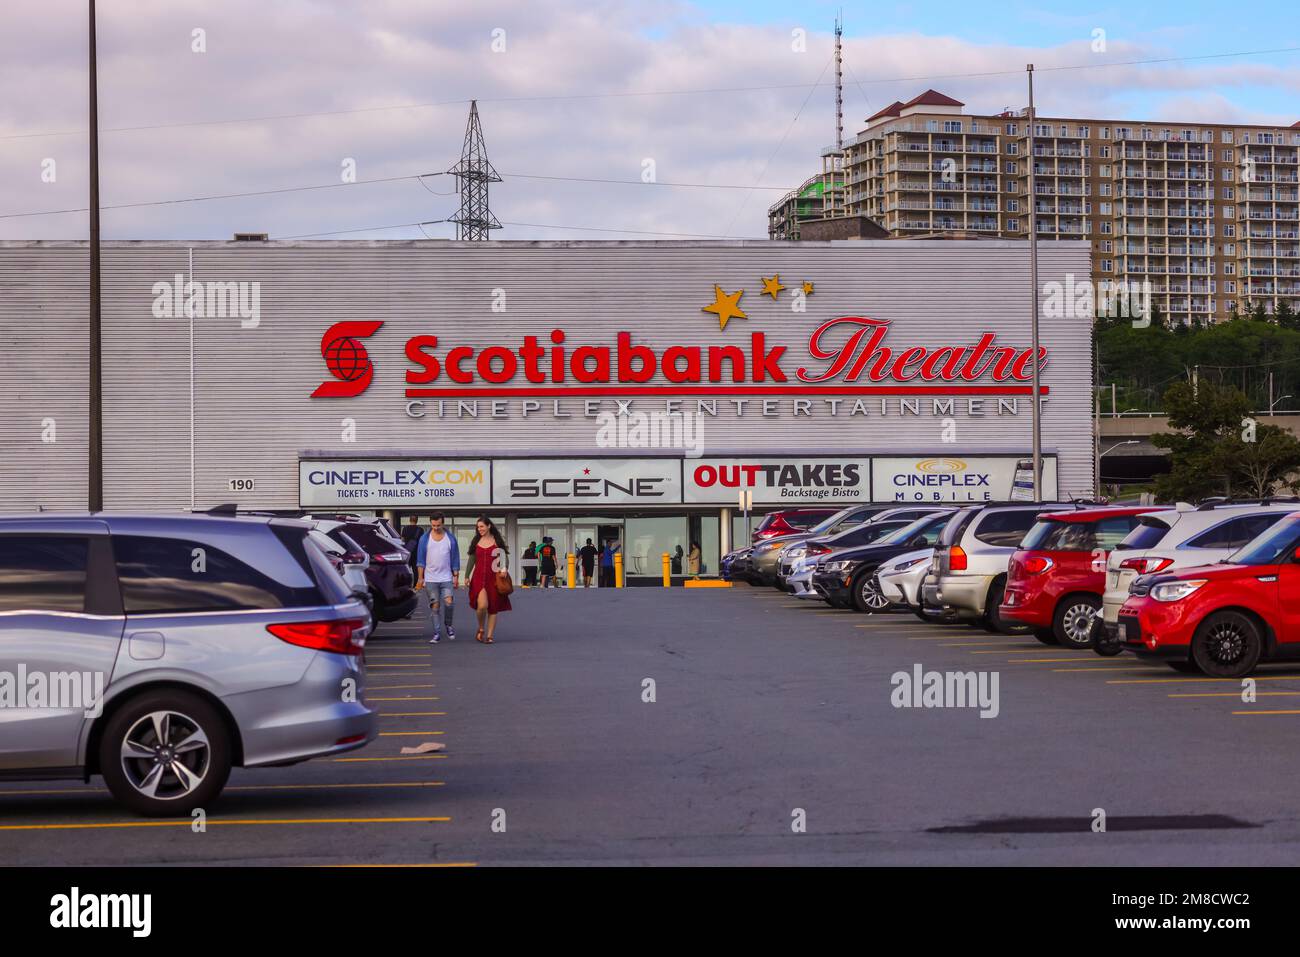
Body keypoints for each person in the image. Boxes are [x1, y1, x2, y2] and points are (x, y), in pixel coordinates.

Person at [464, 515, 511, 643]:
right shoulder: (476, 541)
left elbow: (504, 558)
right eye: (478, 527)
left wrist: (504, 568)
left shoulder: (497, 541)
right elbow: (471, 560)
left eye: (482, 526)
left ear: (489, 526)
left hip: (494, 578)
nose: (480, 529)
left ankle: (489, 636)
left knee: (493, 607)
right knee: (482, 606)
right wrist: (467, 575)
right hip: (478, 578)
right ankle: (481, 628)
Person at [414, 513, 459, 644]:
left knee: (449, 603)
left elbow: (455, 558)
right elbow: (420, 561)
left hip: (446, 578)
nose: (436, 528)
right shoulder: (424, 539)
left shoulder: (450, 539)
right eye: (433, 525)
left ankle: (448, 625)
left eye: (438, 525)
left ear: (443, 524)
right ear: (430, 524)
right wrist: (420, 578)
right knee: (435, 606)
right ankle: (437, 633)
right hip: (431, 579)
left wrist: (456, 576)